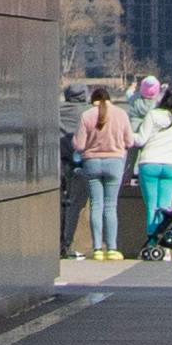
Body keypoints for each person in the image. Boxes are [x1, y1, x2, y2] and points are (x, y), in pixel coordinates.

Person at [70, 86, 131, 258]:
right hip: (115, 163)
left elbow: (79, 145)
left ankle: (97, 249)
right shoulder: (121, 114)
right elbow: (130, 141)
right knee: (110, 206)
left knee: (96, 205)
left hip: (92, 163)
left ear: (93, 100)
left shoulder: (87, 115)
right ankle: (111, 248)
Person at [138, 79, 172, 253]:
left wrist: (127, 135)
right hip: (171, 165)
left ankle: (152, 244)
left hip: (149, 162)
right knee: (166, 206)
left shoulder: (153, 115)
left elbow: (141, 140)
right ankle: (165, 246)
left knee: (152, 206)